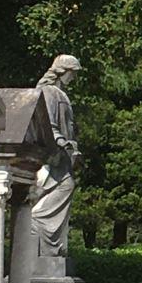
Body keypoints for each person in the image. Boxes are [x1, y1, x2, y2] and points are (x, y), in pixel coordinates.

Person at [30, 55, 83, 255]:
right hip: (53, 155)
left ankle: (49, 238)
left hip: (63, 156)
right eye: (73, 73)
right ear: (63, 71)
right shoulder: (49, 92)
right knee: (64, 186)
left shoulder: (60, 94)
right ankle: (38, 223)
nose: (74, 78)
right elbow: (48, 124)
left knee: (66, 186)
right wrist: (64, 144)